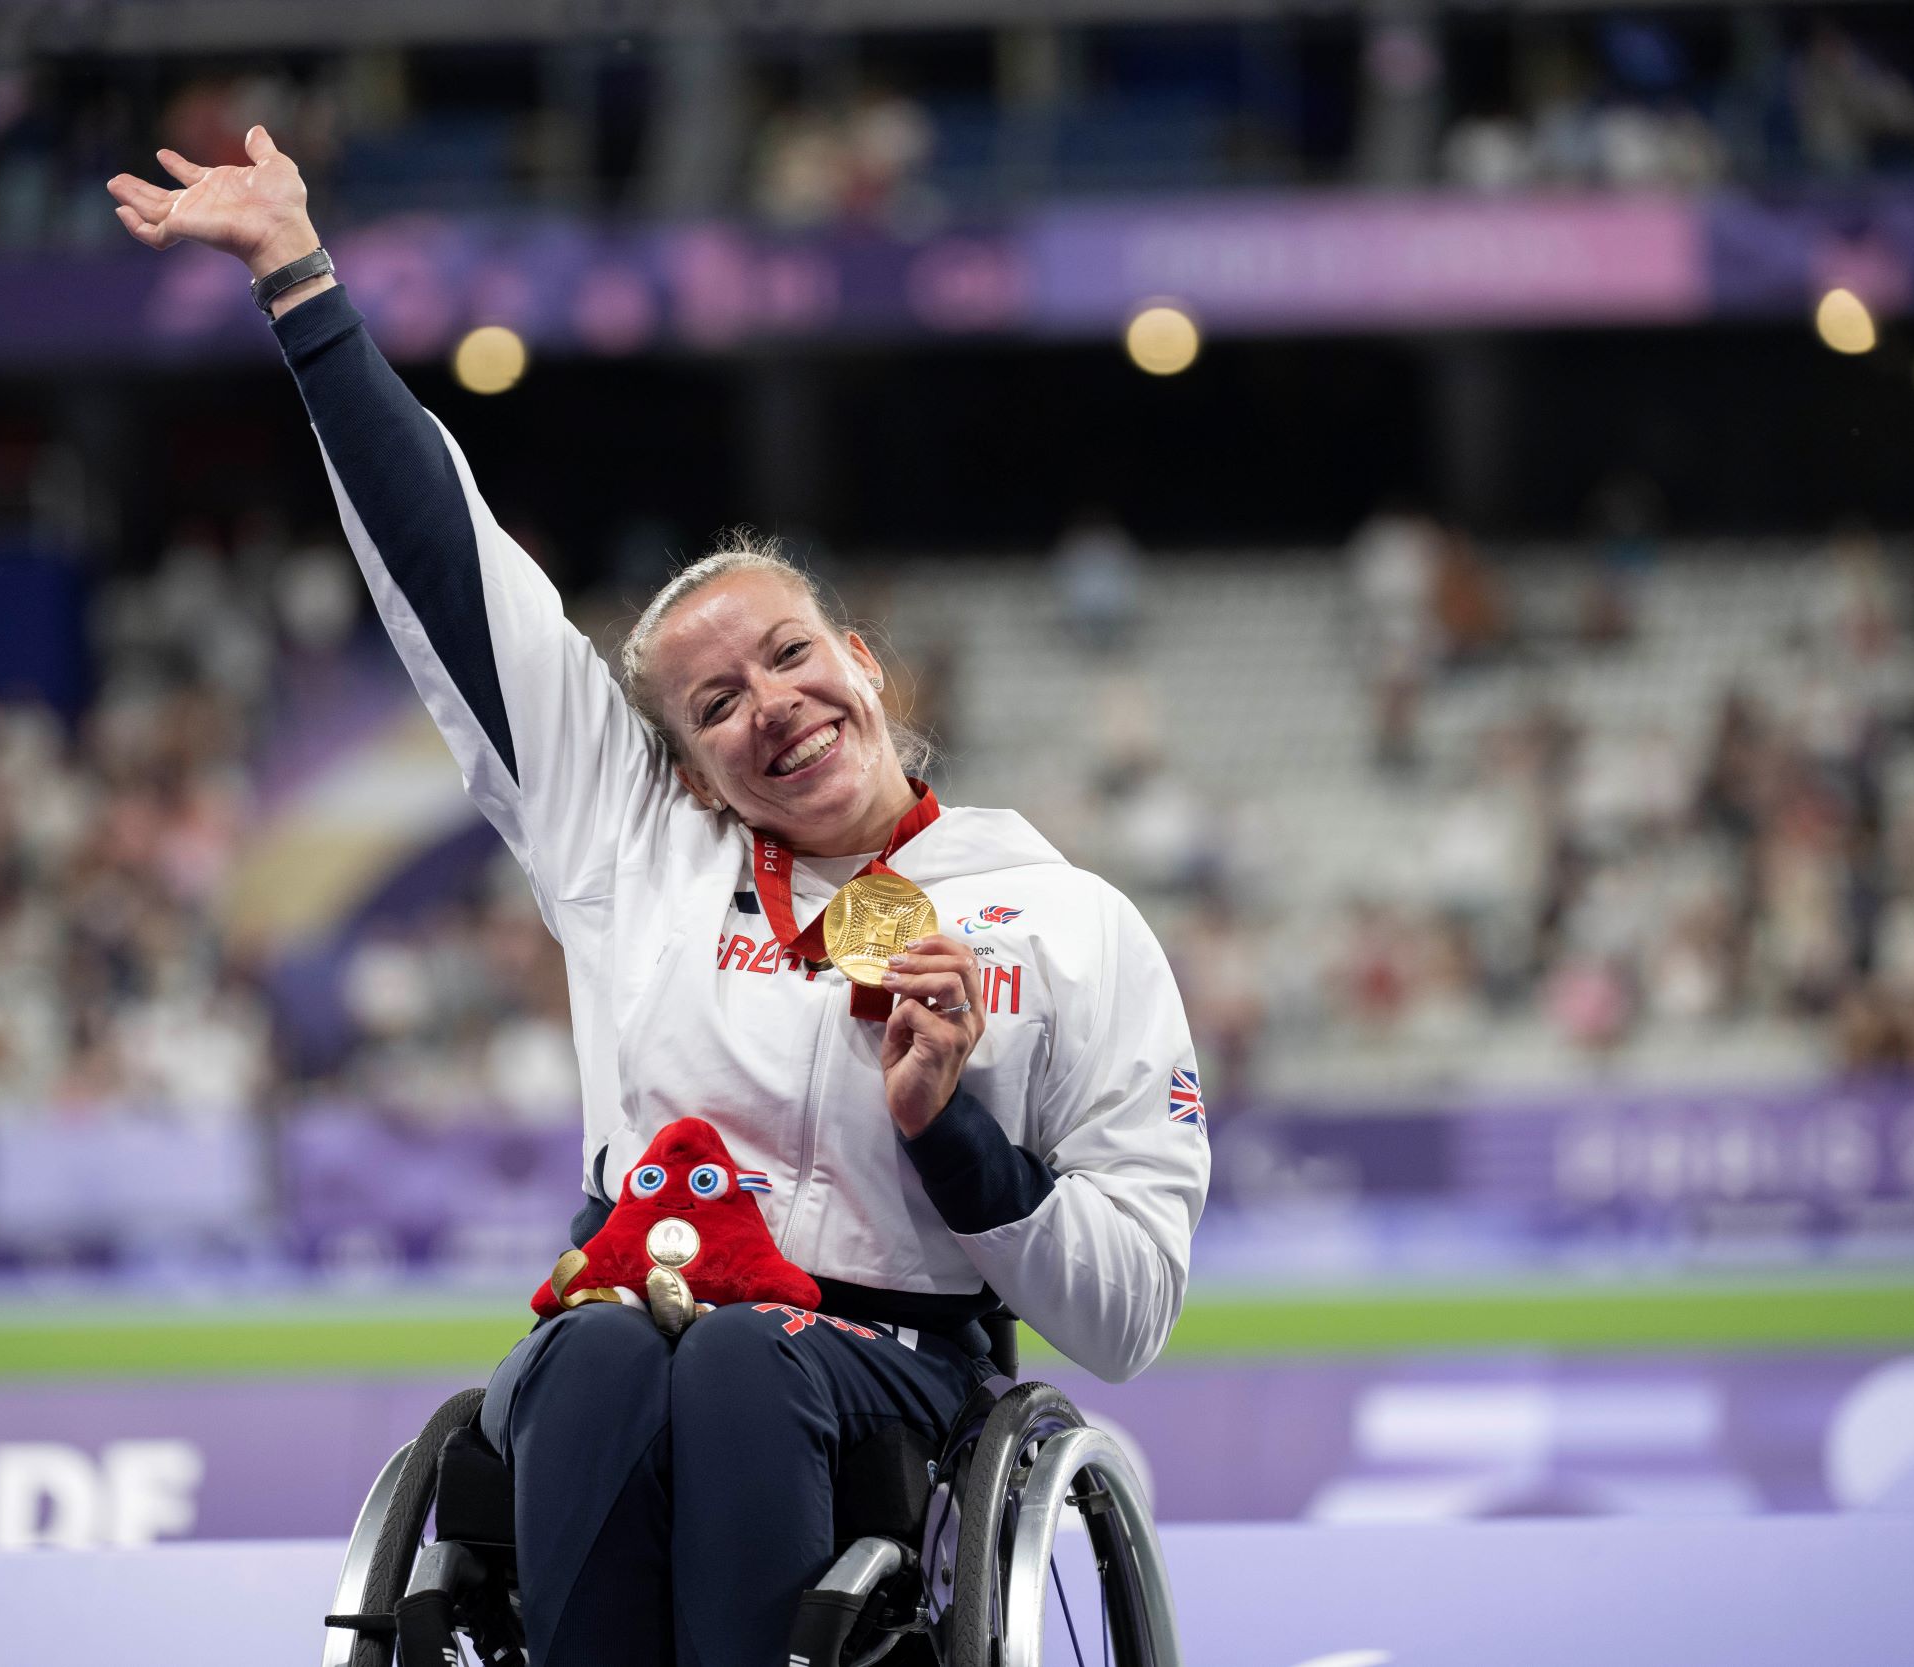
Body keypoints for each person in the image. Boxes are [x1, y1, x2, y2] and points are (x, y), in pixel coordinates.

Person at [107, 128, 1207, 1667]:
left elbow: (1132, 1313)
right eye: (712, 704)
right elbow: (453, 571)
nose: (769, 704)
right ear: (682, 766)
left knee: (744, 1368)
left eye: (792, 656)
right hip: (640, 1318)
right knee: (601, 1357)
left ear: (865, 665)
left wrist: (951, 1132)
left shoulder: (1069, 923)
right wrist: (304, 286)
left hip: (892, 1359)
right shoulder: (635, 848)